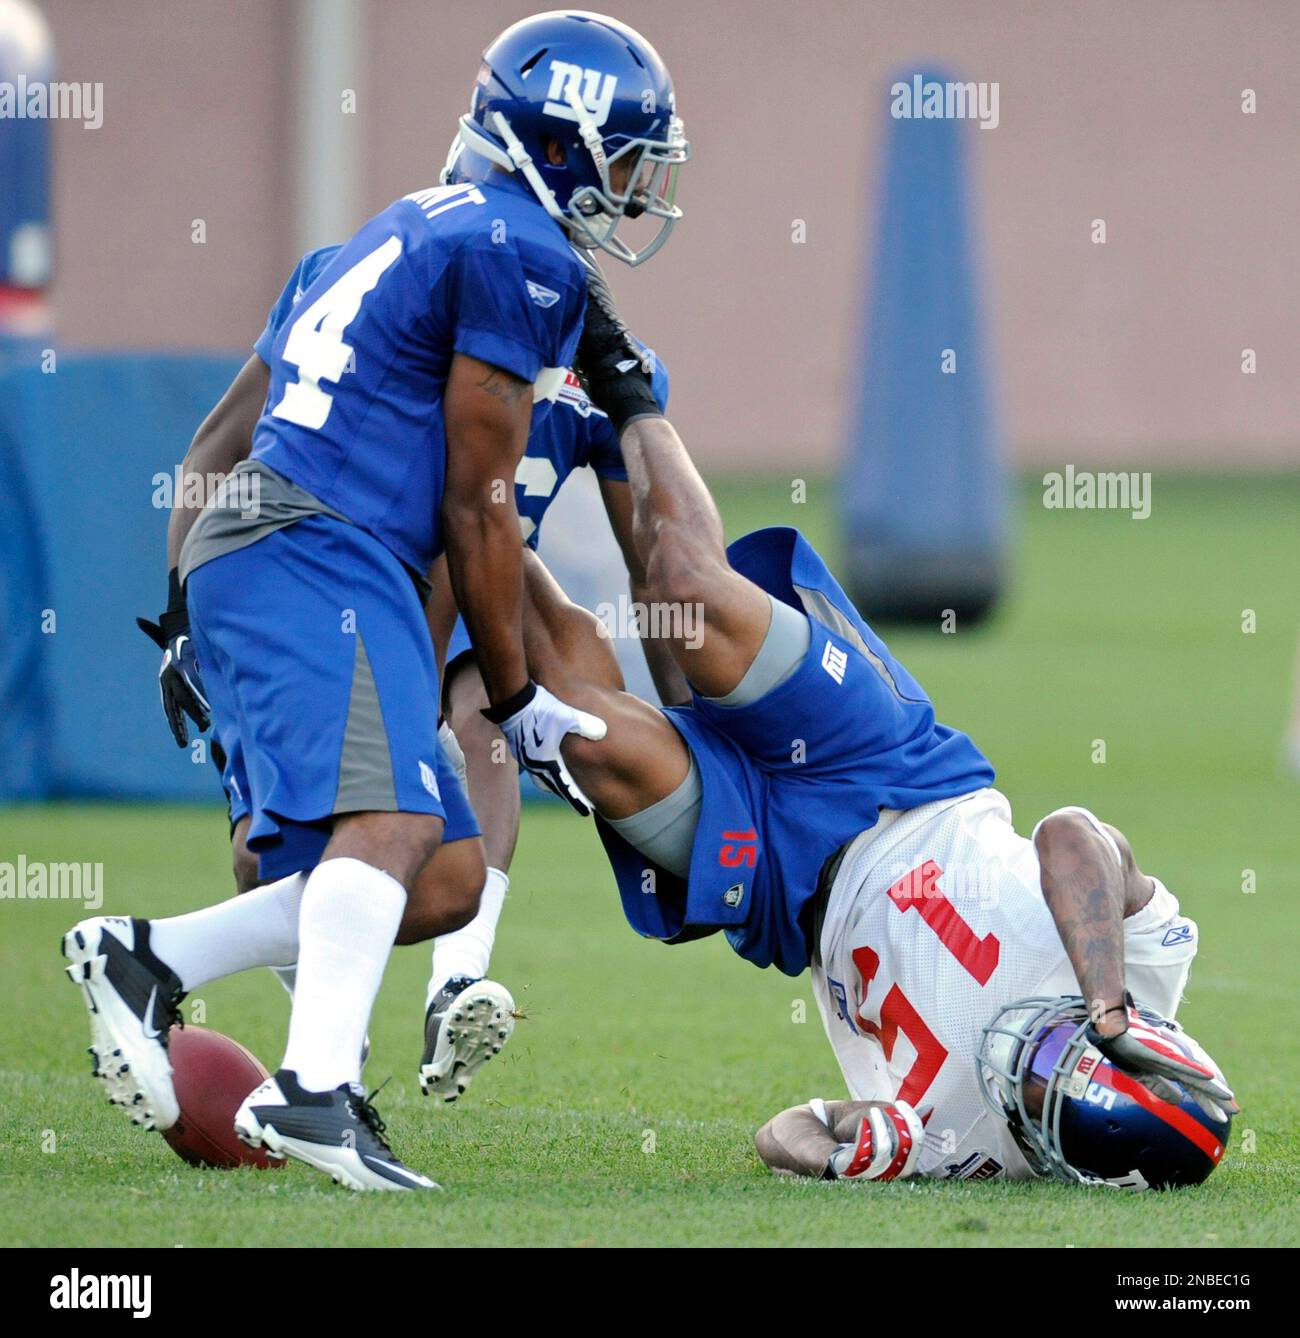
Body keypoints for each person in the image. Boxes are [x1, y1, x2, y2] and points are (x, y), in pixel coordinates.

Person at [64, 11, 687, 1192]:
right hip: (320, 549)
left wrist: (180, 615)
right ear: (565, 144)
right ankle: (314, 1094)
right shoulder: (523, 252)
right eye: (626, 156)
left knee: (438, 875)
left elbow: (211, 442)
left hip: (275, 548)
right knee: (387, 833)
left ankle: (148, 959)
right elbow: (478, 504)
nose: (637, 188)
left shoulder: (377, 240)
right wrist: (514, 698)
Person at [502, 267, 1239, 1189]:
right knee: (684, 596)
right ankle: (620, 382)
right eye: (1056, 1054)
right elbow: (1075, 837)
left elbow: (782, 1137)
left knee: (584, 734)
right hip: (891, 775)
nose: (1026, 1059)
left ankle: (481, 508)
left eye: (1038, 1094)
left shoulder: (971, 1155)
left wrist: (856, 1138)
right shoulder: (1144, 985)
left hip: (788, 891)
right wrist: (1108, 1005)